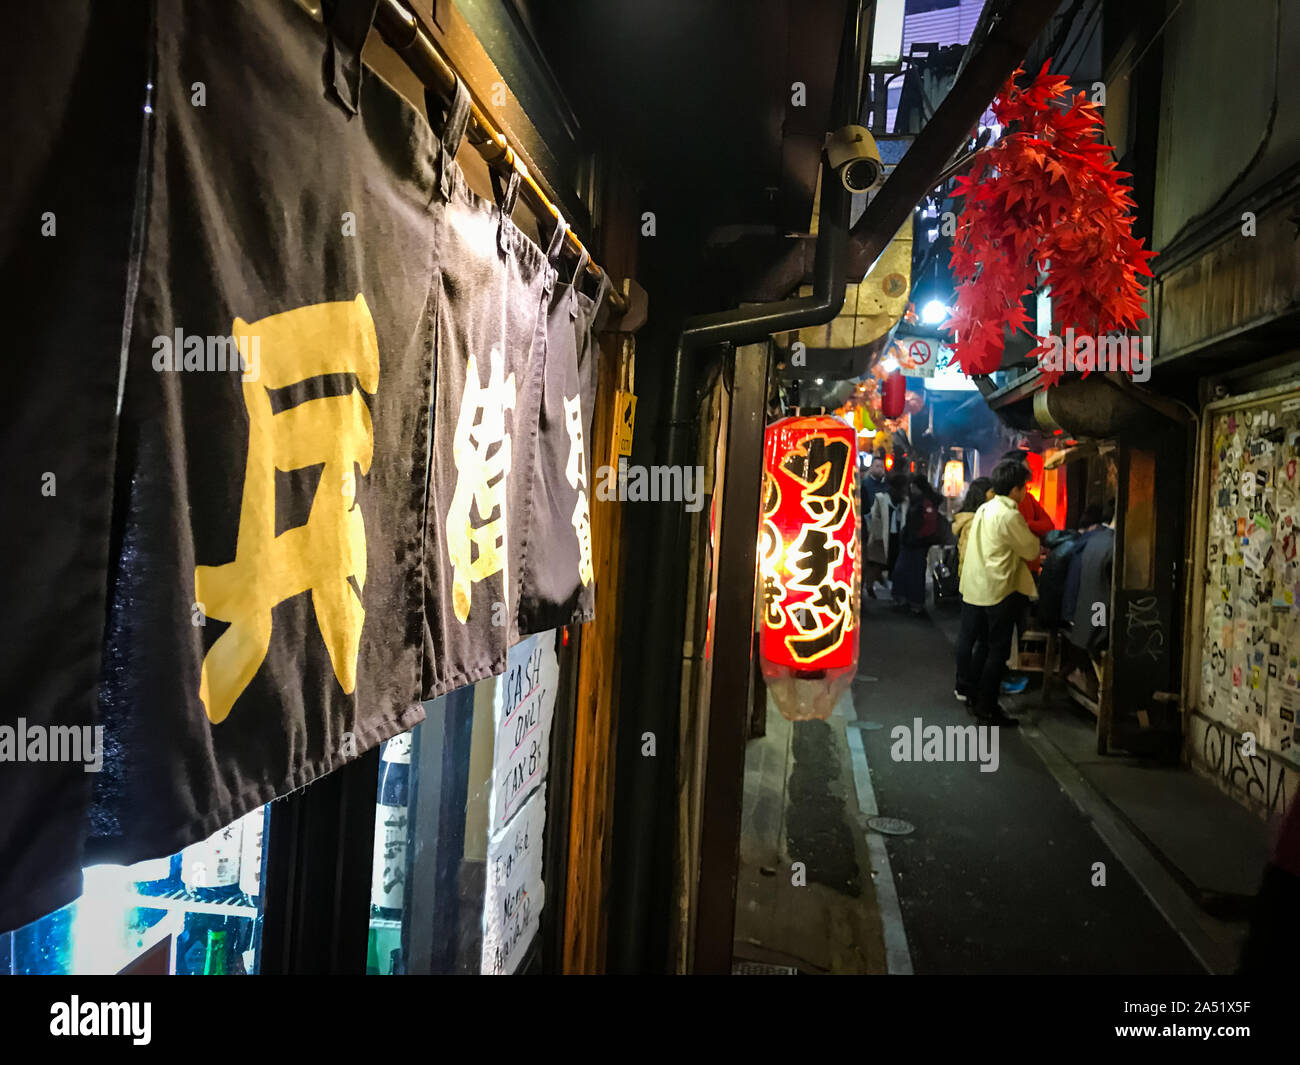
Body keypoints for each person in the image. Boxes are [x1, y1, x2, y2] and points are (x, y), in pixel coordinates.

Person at [954, 460, 1041, 726]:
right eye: (1024, 487)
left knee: (982, 645)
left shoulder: (985, 508)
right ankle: (988, 707)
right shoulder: (1009, 514)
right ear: (1015, 489)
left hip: (977, 587)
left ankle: (973, 696)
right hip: (999, 589)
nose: (1025, 492)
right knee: (997, 650)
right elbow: (1030, 550)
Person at [892, 474, 944, 616]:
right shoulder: (922, 501)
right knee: (911, 572)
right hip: (914, 542)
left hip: (916, 543)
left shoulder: (922, 502)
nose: (911, 487)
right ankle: (911, 601)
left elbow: (926, 525)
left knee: (910, 572)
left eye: (913, 485)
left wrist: (914, 537)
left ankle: (912, 602)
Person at [865, 473, 908, 597]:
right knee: (876, 563)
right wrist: (874, 539)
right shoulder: (881, 499)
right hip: (882, 536)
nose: (904, 492)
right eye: (903, 489)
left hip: (897, 537)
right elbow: (875, 518)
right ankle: (870, 586)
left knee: (896, 564)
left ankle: (896, 591)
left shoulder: (905, 502)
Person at [951, 477, 993, 579]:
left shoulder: (971, 519)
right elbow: (969, 558)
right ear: (982, 495)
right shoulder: (973, 523)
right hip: (975, 584)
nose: (996, 496)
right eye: (992, 491)